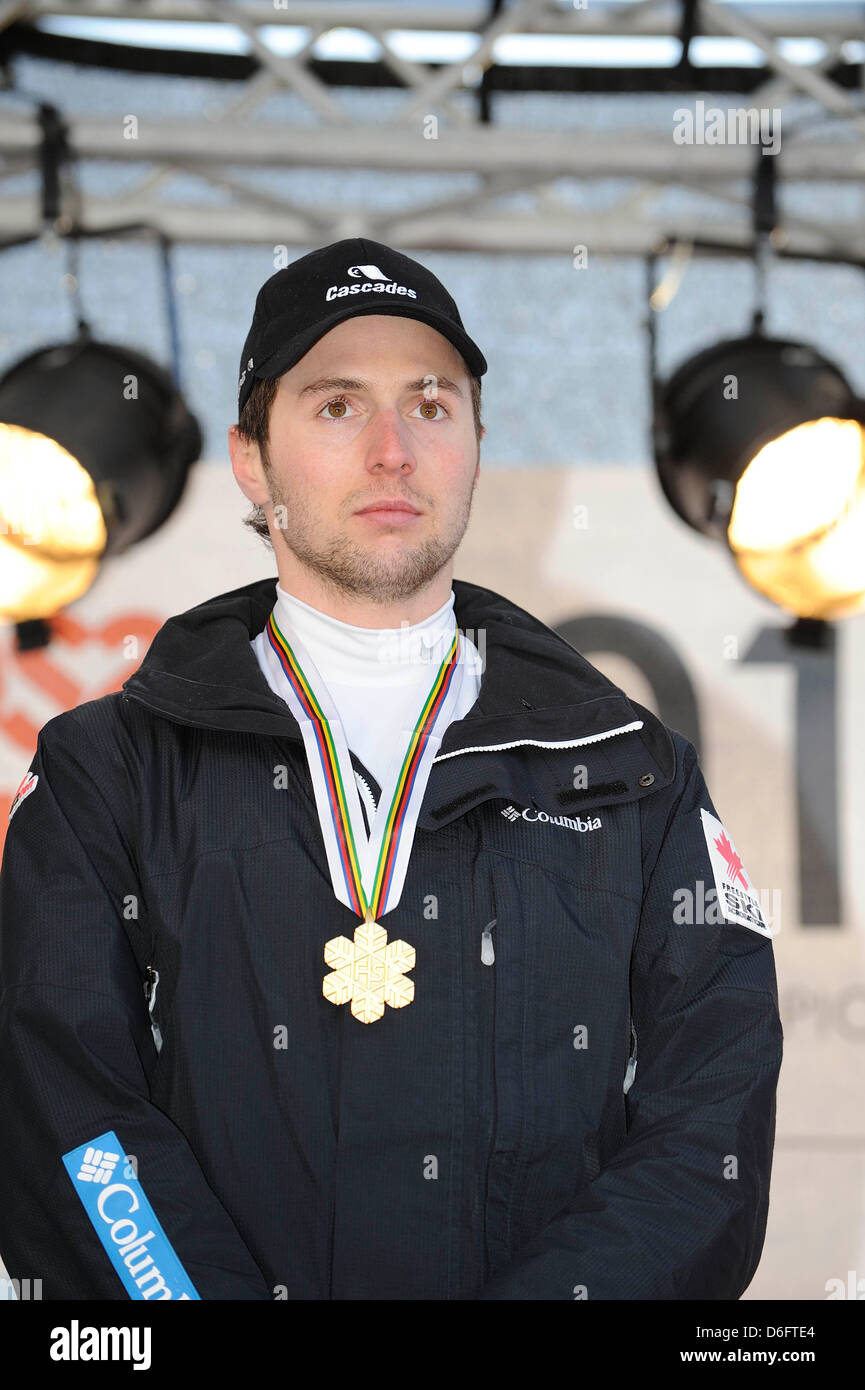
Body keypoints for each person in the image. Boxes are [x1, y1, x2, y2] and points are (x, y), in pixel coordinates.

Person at [0, 238, 783, 1300]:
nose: (391, 449)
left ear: (473, 442)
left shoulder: (631, 772)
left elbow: (707, 1140)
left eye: (429, 404)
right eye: (335, 406)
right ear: (249, 457)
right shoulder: (109, 772)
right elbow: (65, 1118)